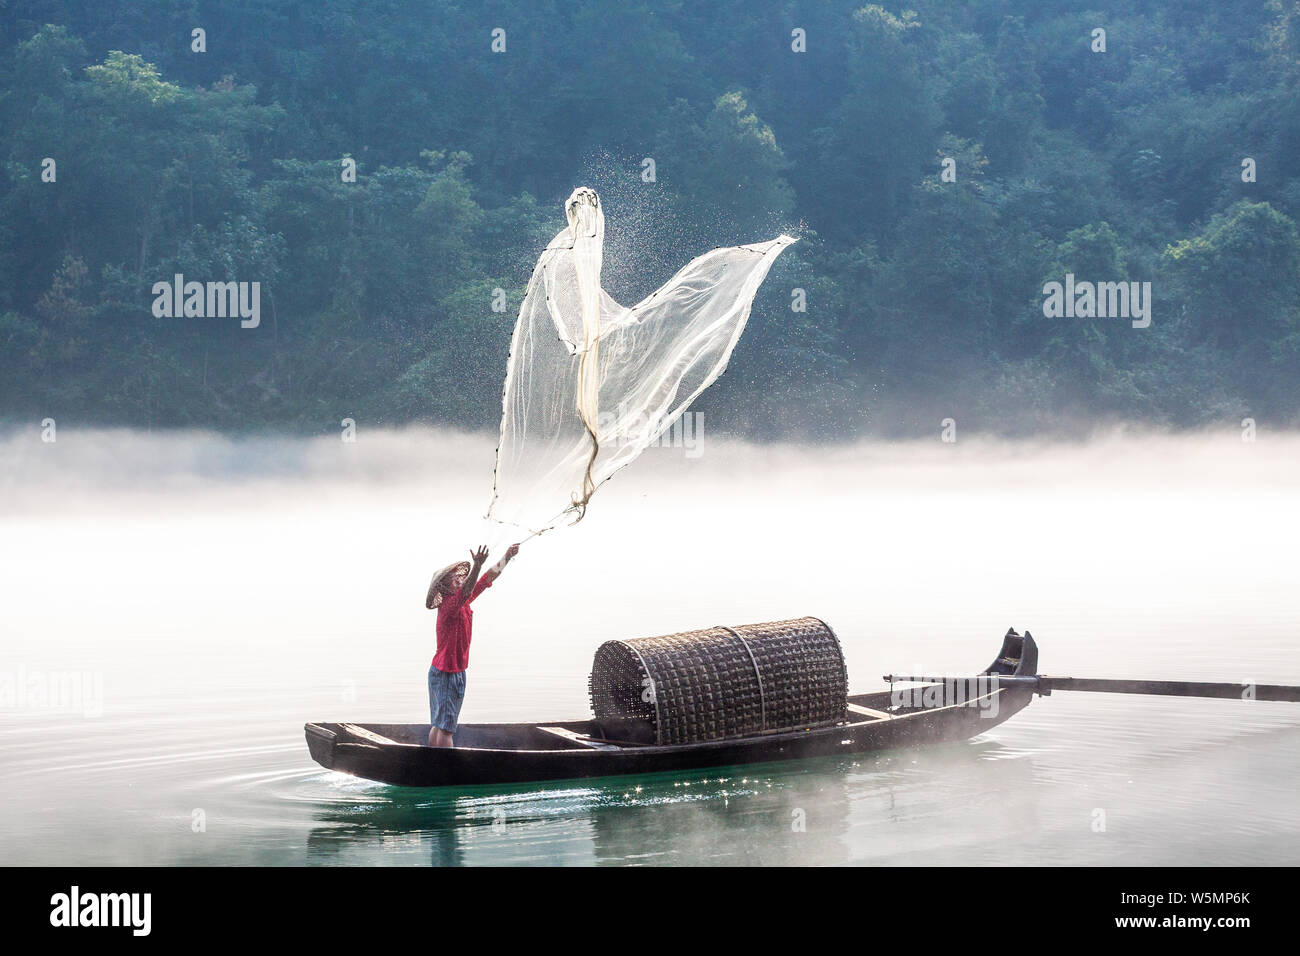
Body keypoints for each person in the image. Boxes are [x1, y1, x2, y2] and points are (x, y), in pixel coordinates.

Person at [423, 542, 519, 747]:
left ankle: (433, 767)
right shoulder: (450, 605)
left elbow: (486, 579)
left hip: (443, 671)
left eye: (459, 577)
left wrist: (507, 557)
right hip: (448, 673)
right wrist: (476, 565)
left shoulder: (462, 601)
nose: (459, 579)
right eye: (454, 578)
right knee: (446, 729)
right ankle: (443, 773)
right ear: (444, 587)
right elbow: (468, 589)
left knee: (439, 725)